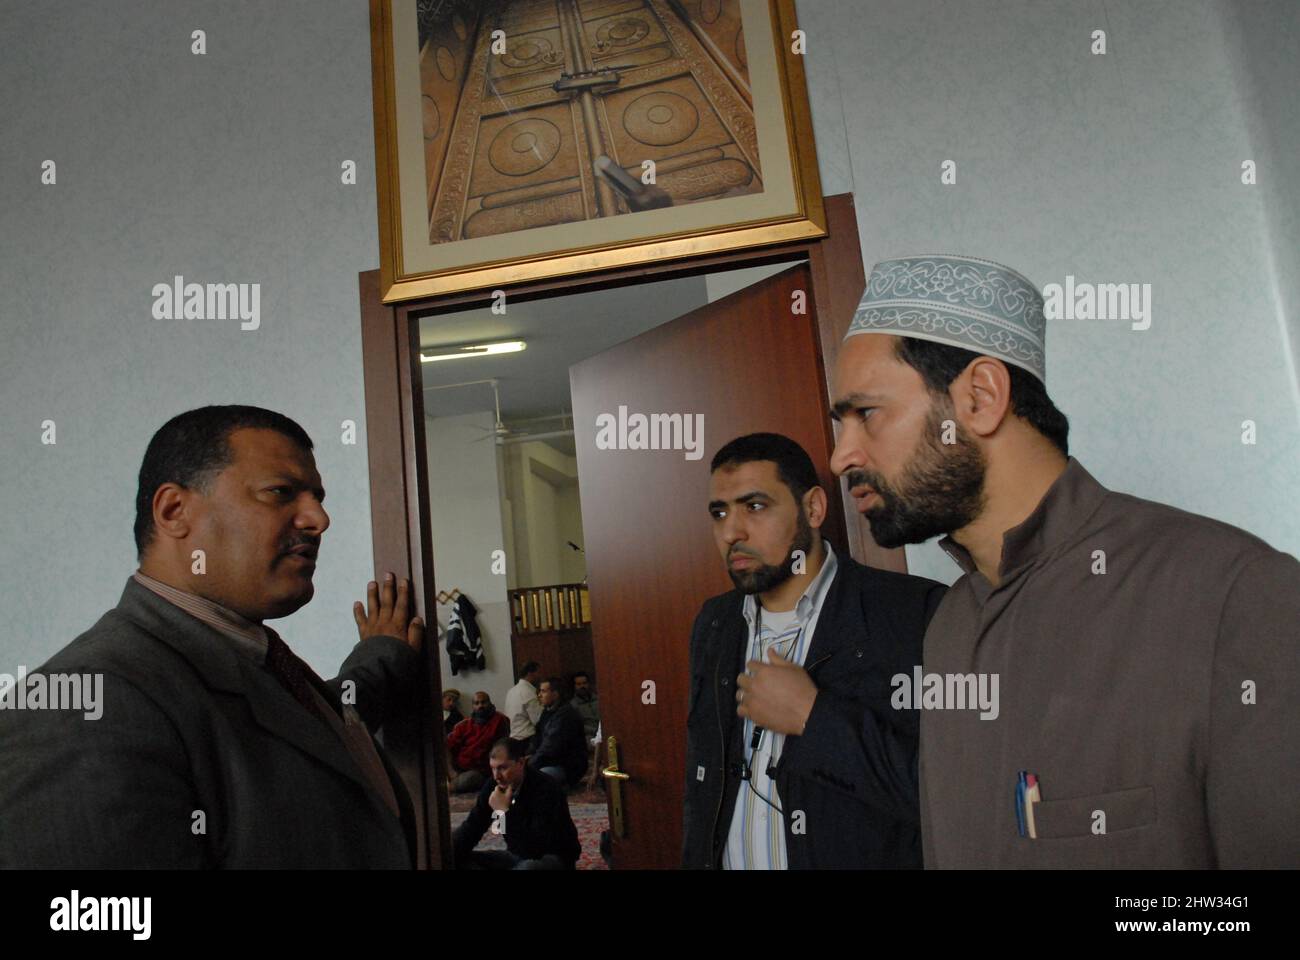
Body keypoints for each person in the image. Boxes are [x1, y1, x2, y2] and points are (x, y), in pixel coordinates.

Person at [830, 254, 1300, 868]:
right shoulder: (948, 627)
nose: (841, 457)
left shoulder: (1237, 596)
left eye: (866, 414)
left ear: (981, 396)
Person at [0, 405, 425, 868]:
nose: (318, 519)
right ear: (174, 511)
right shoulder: (84, 707)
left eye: (317, 497)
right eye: (281, 493)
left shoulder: (253, 662)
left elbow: (307, 737)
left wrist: (384, 654)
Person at [682, 433, 946, 869]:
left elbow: (945, 795)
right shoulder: (715, 623)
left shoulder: (914, 614)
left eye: (755, 506)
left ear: (814, 509)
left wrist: (815, 717)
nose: (732, 531)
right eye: (719, 512)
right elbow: (703, 784)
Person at [452, 737, 581, 870]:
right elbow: (472, 827)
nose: (497, 776)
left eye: (502, 768)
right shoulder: (494, 786)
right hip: (517, 856)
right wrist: (447, 853)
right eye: (493, 768)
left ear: (520, 762)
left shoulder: (546, 788)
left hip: (553, 857)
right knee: (459, 860)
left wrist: (504, 812)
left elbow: (533, 849)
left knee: (528, 867)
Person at [529, 677, 588, 787]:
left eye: (543, 691)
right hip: (550, 761)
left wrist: (529, 765)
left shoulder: (566, 715)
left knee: (532, 778)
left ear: (555, 694)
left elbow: (550, 747)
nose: (539, 695)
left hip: (567, 766)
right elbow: (537, 739)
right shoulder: (547, 712)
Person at [446, 691, 509, 792]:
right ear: (473, 706)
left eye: (483, 702)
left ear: (490, 703)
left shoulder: (499, 720)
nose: (480, 706)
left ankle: (448, 788)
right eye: (477, 703)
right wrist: (452, 772)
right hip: (457, 769)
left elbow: (503, 747)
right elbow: (446, 747)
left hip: (480, 772)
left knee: (470, 778)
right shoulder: (464, 725)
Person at [503, 660, 542, 740]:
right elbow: (538, 720)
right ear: (530, 673)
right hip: (527, 739)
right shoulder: (528, 692)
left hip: (513, 737)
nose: (540, 676)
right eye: (538, 672)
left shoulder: (511, 691)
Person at [570, 671, 600, 739]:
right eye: (579, 684)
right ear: (574, 686)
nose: (582, 686)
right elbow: (578, 726)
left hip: (604, 732)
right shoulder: (573, 705)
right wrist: (596, 731)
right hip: (588, 736)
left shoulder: (598, 699)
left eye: (584, 683)